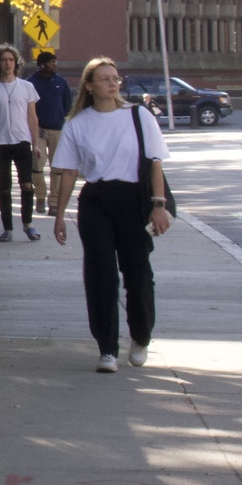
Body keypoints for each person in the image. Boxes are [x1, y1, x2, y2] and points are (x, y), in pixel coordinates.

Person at [49, 58, 172, 373]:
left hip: (133, 200)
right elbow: (69, 172)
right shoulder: (78, 123)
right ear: (89, 85)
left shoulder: (138, 115)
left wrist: (159, 205)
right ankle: (107, 348)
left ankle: (141, 335)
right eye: (104, 79)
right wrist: (60, 214)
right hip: (96, 202)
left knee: (138, 273)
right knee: (100, 274)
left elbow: (155, 162)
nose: (112, 83)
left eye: (115, 78)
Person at [0, 43, 42, 241]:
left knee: (27, 184)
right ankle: (8, 229)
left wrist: (35, 143)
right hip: (0, 142)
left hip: (22, 141)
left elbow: (32, 116)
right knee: (4, 186)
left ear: (17, 63)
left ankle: (28, 224)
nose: (8, 64)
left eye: (11, 60)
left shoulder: (27, 87)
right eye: (4, 60)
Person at [30, 51, 74, 216]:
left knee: (58, 168)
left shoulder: (61, 82)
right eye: (51, 62)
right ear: (42, 64)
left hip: (58, 130)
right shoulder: (31, 83)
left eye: (55, 62)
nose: (55, 65)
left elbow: (67, 104)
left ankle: (54, 202)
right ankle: (40, 197)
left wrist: (65, 121)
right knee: (37, 164)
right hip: (39, 130)